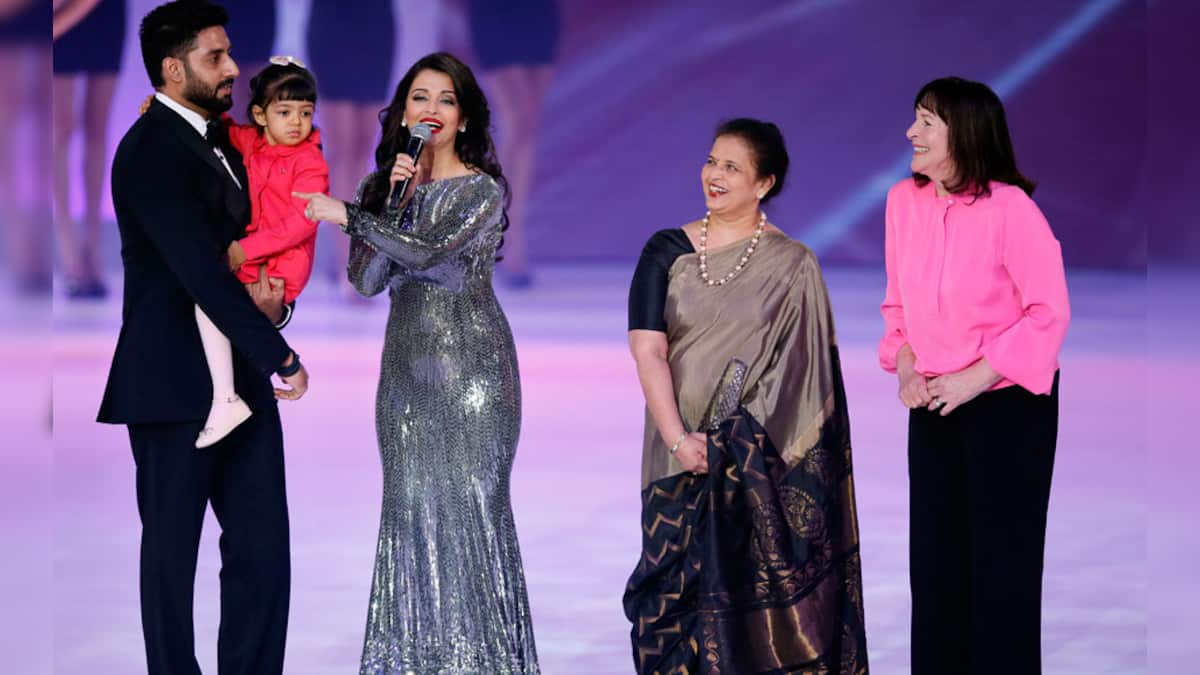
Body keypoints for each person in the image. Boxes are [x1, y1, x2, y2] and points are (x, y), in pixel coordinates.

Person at [294, 52, 539, 674]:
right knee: (409, 514)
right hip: (404, 378)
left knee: (473, 514)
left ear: (462, 117)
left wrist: (348, 214)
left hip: (476, 378)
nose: (431, 110)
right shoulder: (387, 188)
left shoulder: (481, 191)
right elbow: (367, 279)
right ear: (403, 111)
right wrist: (388, 201)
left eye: (445, 99)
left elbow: (431, 256)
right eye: (419, 98)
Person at [96, 3, 309, 673]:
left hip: (240, 378)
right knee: (170, 559)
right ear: (172, 67)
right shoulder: (149, 149)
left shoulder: (230, 141)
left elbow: (246, 258)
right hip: (171, 388)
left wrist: (274, 315)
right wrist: (277, 351)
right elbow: (198, 271)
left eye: (228, 53)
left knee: (263, 555)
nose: (232, 67)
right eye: (216, 56)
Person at [623, 118, 868, 673]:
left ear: (764, 184)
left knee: (746, 617)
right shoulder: (666, 250)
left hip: (754, 471)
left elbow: (805, 380)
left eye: (732, 166)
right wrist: (678, 438)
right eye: (712, 161)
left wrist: (733, 447)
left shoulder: (794, 266)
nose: (714, 174)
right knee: (661, 606)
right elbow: (648, 352)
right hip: (672, 455)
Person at [879, 76, 1070, 675]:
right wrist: (906, 367)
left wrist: (974, 379)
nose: (913, 132)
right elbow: (898, 307)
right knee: (935, 566)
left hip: (1006, 405)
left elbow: (1048, 312)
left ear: (965, 132)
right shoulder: (902, 203)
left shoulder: (1012, 209)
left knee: (1000, 568)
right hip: (933, 400)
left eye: (927, 122)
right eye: (915, 118)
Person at [196, 57, 327, 447]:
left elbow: (301, 223)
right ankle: (231, 398)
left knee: (217, 307)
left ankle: (230, 397)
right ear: (261, 114)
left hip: (281, 264)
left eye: (305, 113)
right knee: (218, 315)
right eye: (285, 112)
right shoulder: (250, 140)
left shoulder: (309, 161)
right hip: (254, 257)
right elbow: (218, 128)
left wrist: (243, 250)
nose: (296, 123)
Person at [305, 0, 394, 298]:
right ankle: (347, 263)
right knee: (342, 148)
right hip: (334, 24)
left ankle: (360, 257)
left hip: (376, 24)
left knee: (363, 149)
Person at [467, 0, 559, 288]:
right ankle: (505, 235)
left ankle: (508, 233)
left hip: (537, 12)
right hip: (495, 12)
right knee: (517, 120)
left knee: (527, 125)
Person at [53, 0, 125, 298]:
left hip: (100, 14)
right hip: (57, 13)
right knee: (60, 130)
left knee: (97, 129)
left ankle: (92, 251)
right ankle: (69, 253)